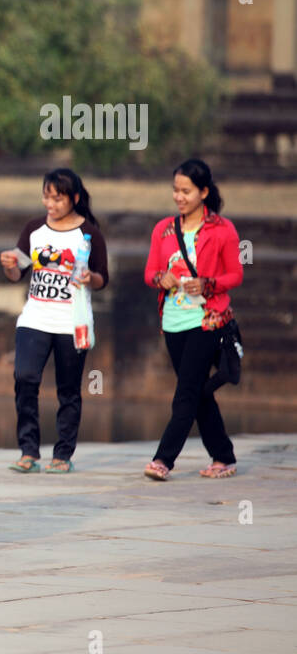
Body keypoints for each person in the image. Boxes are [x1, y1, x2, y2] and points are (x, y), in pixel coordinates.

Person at [0, 168, 109, 474]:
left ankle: (62, 453)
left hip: (71, 322)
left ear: (73, 198)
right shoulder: (34, 230)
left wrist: (91, 277)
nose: (51, 204)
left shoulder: (89, 234)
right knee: (24, 377)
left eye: (57, 199)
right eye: (47, 197)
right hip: (35, 317)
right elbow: (16, 273)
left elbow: (103, 279)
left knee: (69, 389)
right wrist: (9, 264)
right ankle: (28, 450)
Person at [142, 158, 243, 481]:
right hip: (172, 321)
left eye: (186, 191)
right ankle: (223, 457)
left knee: (186, 392)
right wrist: (162, 278)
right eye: (175, 190)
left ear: (203, 192)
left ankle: (163, 460)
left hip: (206, 321)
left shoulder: (223, 229)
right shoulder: (164, 229)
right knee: (198, 390)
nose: (179, 197)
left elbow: (235, 274)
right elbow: (149, 273)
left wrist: (208, 284)